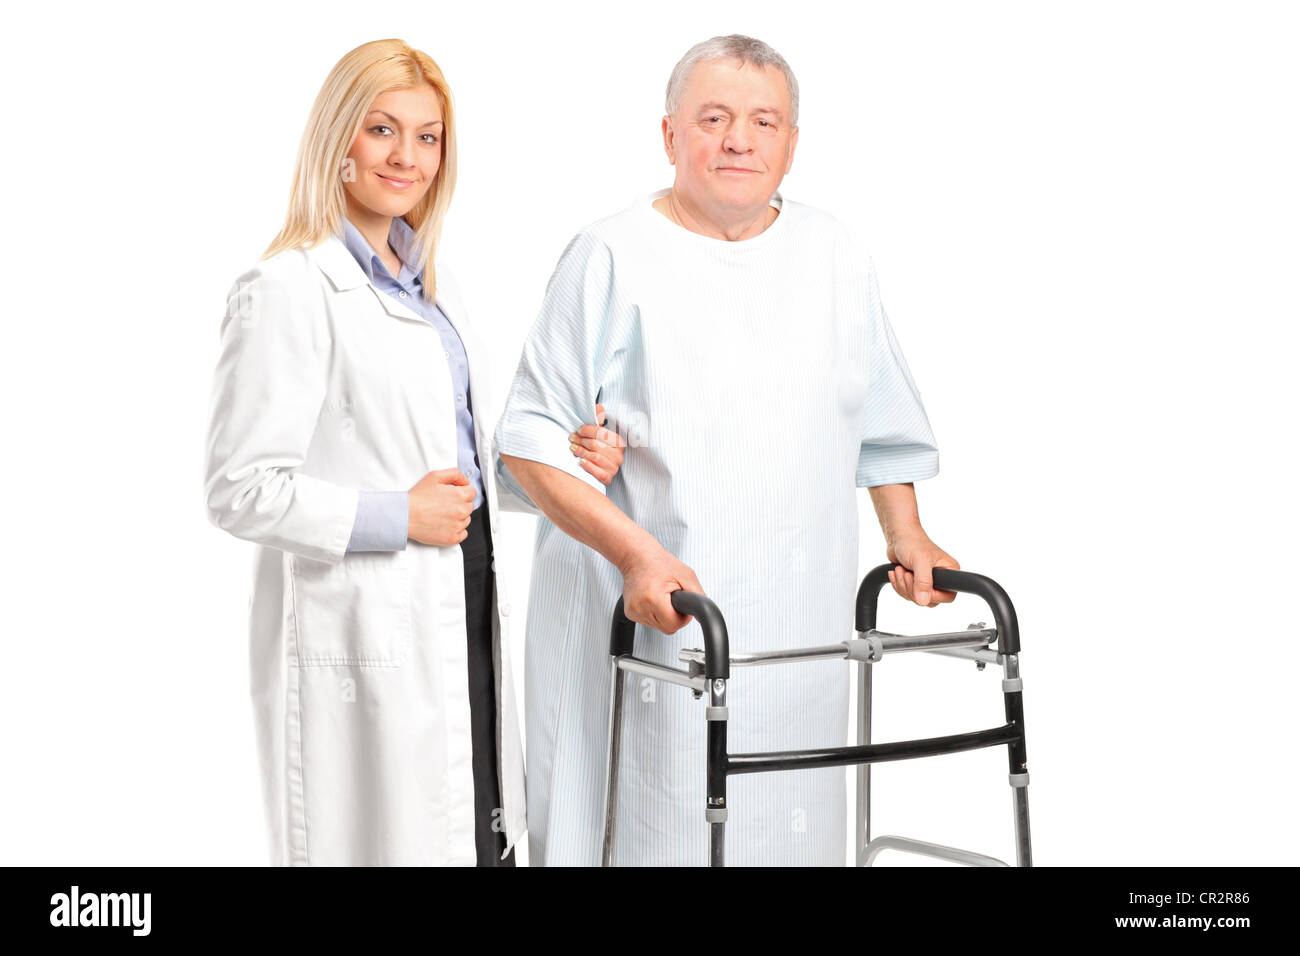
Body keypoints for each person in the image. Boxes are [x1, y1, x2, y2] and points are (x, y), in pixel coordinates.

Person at [494, 34, 959, 866]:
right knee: (651, 828)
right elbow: (528, 444)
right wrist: (638, 555)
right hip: (653, 623)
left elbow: (881, 430)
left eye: (762, 121)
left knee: (782, 823)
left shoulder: (834, 254)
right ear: (670, 136)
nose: (738, 140)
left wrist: (907, 538)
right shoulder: (611, 254)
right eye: (712, 118)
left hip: (796, 634)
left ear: (791, 145)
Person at [203, 38, 624, 866]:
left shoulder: (436, 288)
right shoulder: (288, 288)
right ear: (339, 143)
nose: (407, 157)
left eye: (428, 137)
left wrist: (560, 468)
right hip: (367, 621)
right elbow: (239, 488)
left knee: (481, 831)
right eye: (382, 130)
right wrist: (400, 516)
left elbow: (451, 465)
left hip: (461, 595)